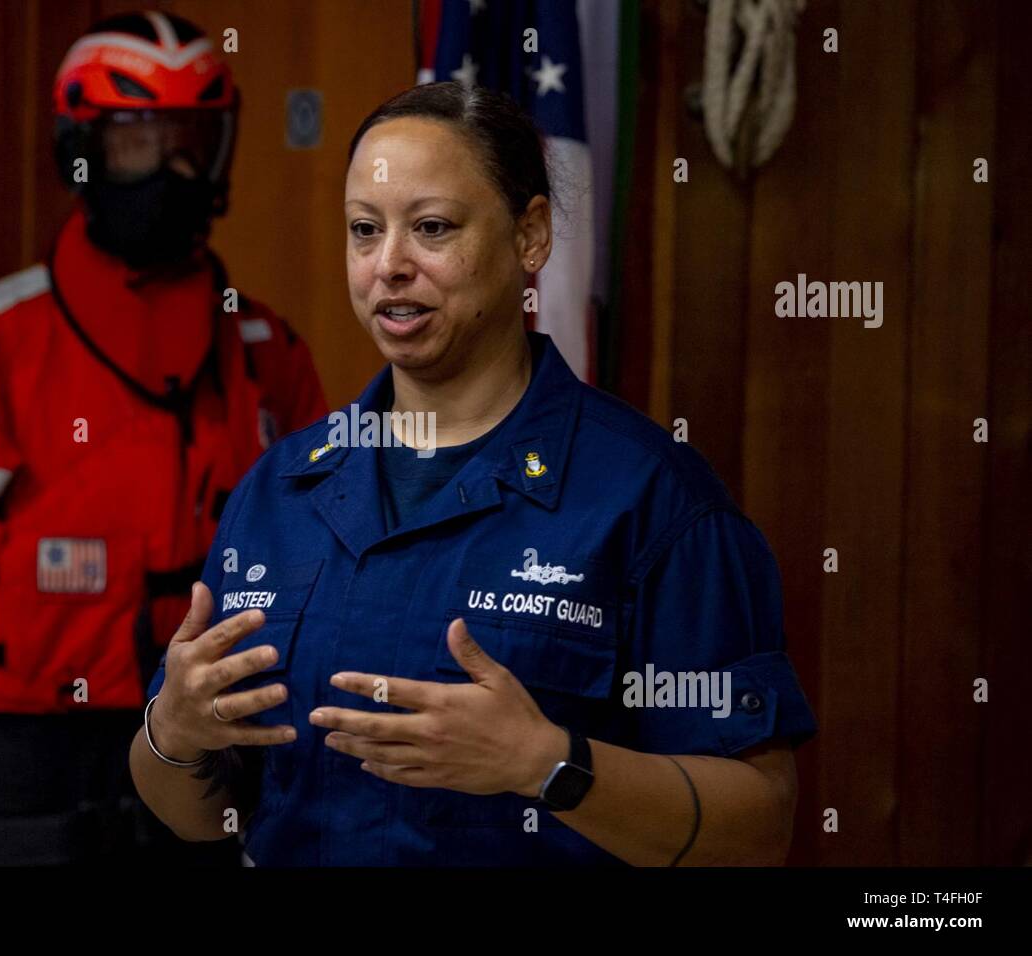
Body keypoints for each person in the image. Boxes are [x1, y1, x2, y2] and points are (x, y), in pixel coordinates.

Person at [130, 81, 817, 866]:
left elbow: (759, 828)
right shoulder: (280, 489)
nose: (389, 266)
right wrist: (172, 734)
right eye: (364, 231)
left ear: (530, 236)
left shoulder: (652, 501)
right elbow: (197, 816)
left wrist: (546, 764)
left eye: (431, 228)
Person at [0, 10, 326, 866]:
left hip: (203, 773)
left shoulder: (266, 354)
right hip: (16, 785)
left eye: (189, 142)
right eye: (138, 140)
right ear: (80, 150)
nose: (168, 168)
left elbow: (319, 595)